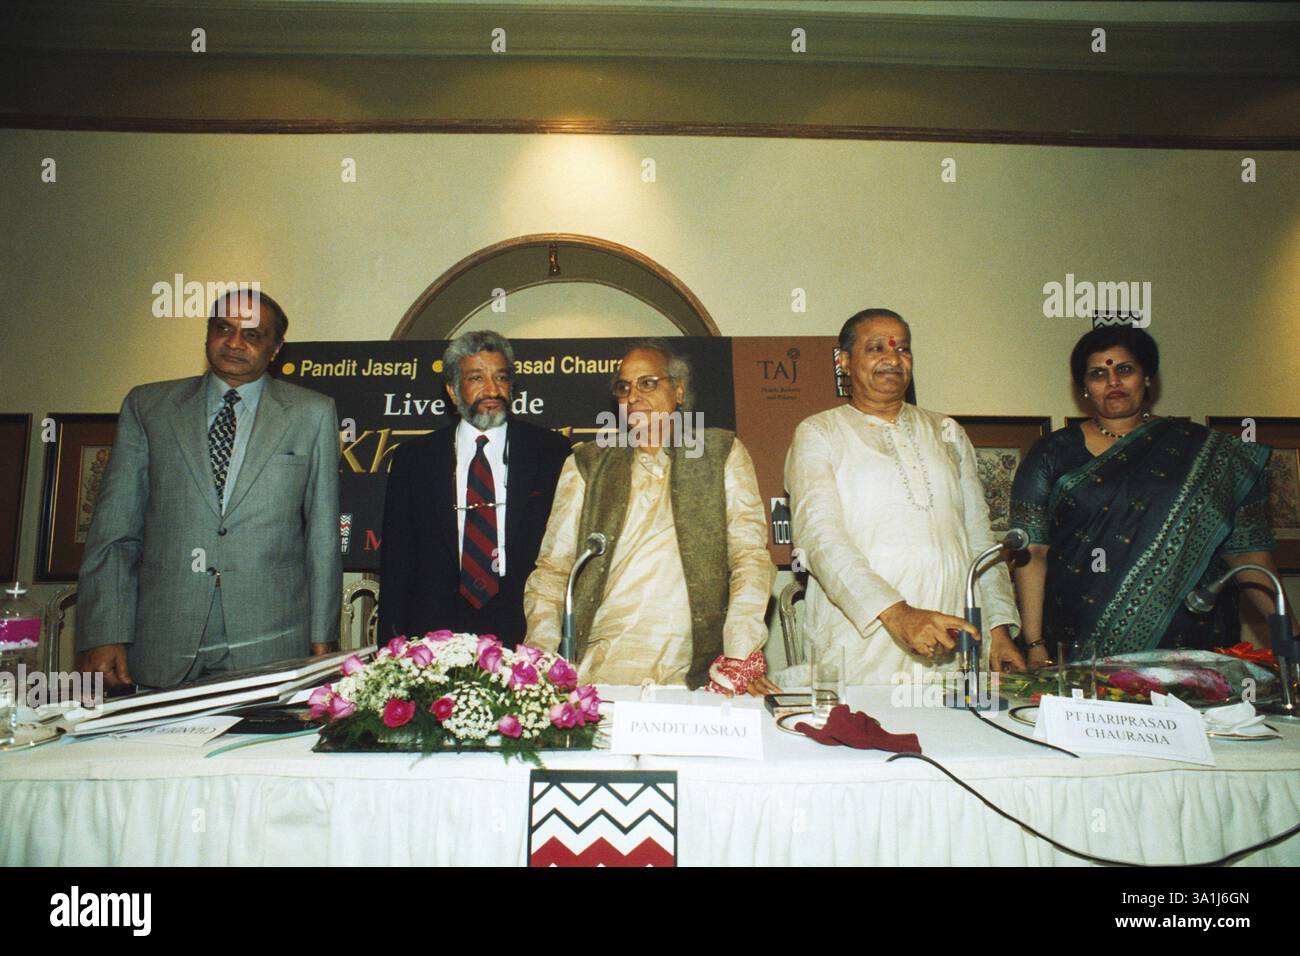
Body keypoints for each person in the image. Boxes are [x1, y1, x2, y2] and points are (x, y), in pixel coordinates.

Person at [76, 290, 342, 689]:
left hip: (272, 641)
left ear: (276, 349)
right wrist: (103, 633)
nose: (234, 343)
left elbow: (323, 537)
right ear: (207, 334)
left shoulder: (312, 413)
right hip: (161, 640)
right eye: (224, 329)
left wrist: (323, 637)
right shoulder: (149, 407)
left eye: (252, 335)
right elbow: (114, 531)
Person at [1010, 326, 1294, 663]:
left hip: (1190, 643)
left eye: (1125, 370)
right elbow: (1032, 552)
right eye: (1098, 374)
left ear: (1147, 377)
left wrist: (1291, 641)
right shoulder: (1052, 453)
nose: (1113, 382)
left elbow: (1248, 555)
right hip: (1078, 641)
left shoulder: (1206, 453)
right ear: (1084, 389)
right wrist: (1033, 643)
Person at [523, 340, 779, 695]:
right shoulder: (588, 463)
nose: (634, 396)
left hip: (695, 670)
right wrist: (542, 657)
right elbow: (553, 570)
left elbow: (749, 558)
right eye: (624, 388)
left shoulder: (720, 453)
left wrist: (738, 656)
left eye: (648, 383)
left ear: (678, 390)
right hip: (601, 669)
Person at [784, 309, 1024, 685]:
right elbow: (819, 538)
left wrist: (998, 631)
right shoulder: (820, 433)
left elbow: (980, 541)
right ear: (844, 361)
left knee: (957, 740)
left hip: (953, 636)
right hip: (865, 639)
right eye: (876, 348)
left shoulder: (946, 431)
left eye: (903, 349)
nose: (893, 359)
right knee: (864, 738)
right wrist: (899, 614)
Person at [378, 331, 571, 648]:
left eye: (501, 377)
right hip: (433, 635)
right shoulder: (414, 459)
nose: (493, 390)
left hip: (525, 629)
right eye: (477, 378)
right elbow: (397, 563)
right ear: (453, 391)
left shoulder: (551, 452)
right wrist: (390, 648)